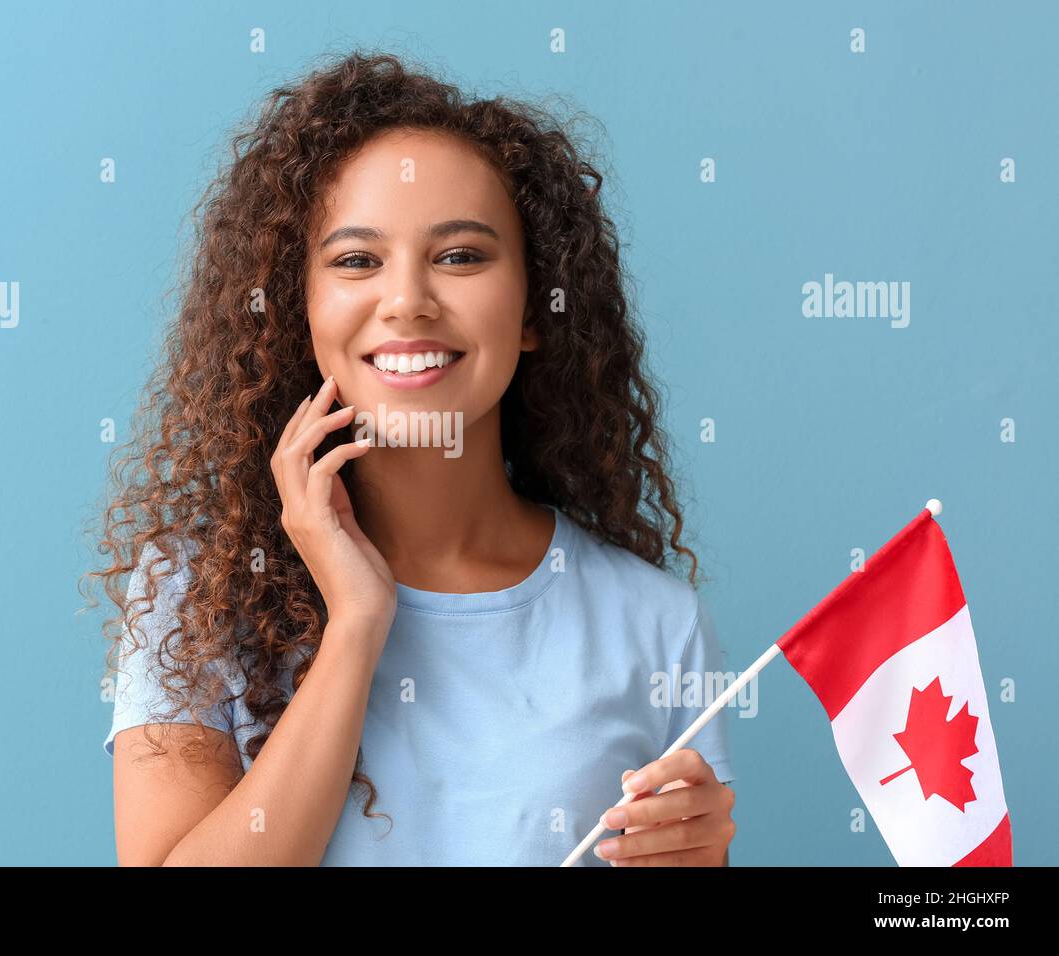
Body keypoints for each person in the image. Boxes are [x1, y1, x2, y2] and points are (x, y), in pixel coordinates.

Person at [91, 51, 736, 866]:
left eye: (461, 256)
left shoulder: (655, 622)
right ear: (302, 312)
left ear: (535, 309)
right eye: (356, 260)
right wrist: (358, 624)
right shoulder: (193, 597)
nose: (407, 301)